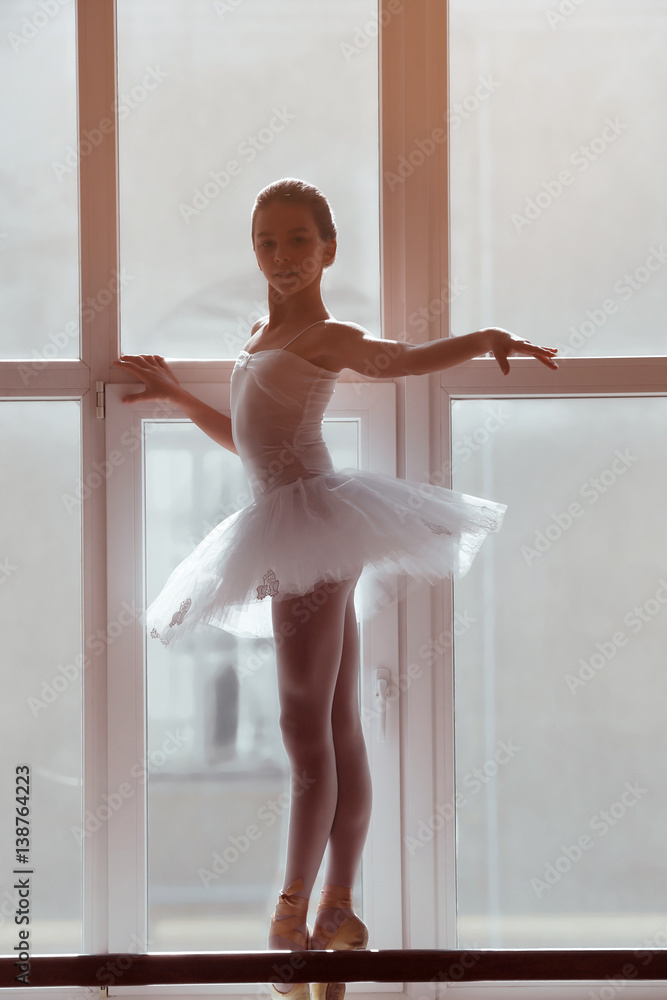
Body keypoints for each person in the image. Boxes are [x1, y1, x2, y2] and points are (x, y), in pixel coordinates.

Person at [114, 177, 558, 999]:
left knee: (299, 725)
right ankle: (338, 909)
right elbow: (247, 442)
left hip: (309, 525)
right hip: (287, 517)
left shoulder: (327, 334)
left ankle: (290, 915)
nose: (280, 257)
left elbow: (398, 362)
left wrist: (485, 336)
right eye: (266, 242)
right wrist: (178, 394)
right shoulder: (258, 333)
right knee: (334, 727)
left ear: (328, 249)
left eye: (296, 242)